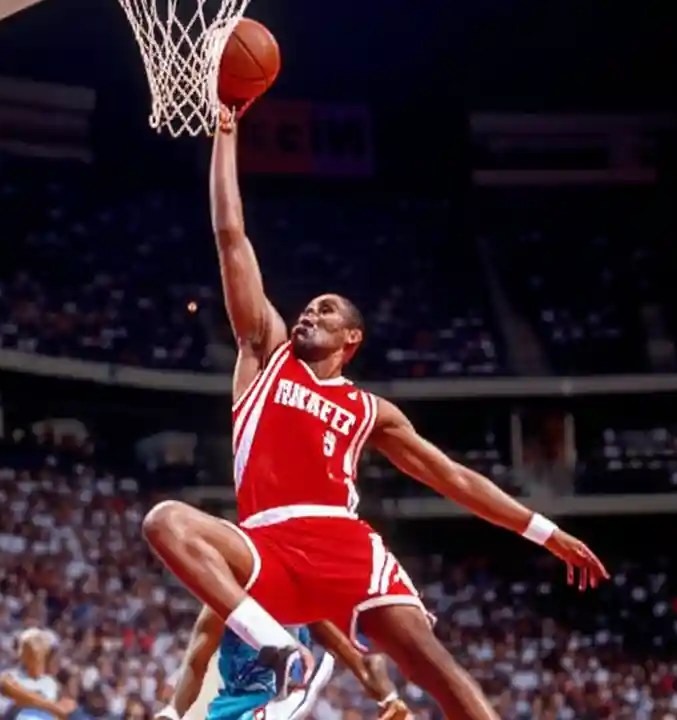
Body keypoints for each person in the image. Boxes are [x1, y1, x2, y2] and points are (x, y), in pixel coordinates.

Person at [141, 105, 610, 720]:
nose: (309, 314)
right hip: (268, 546)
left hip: (344, 547)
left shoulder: (371, 409)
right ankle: (276, 643)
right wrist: (226, 139)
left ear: (352, 338)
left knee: (438, 671)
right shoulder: (265, 354)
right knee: (165, 521)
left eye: (326, 310)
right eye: (307, 308)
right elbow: (232, 237)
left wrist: (547, 533)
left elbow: (455, 479)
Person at [155, 607, 408, 720]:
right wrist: (172, 712)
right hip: (231, 706)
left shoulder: (302, 596)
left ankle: (290, 686)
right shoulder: (223, 598)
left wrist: (388, 698)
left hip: (281, 697)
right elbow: (195, 663)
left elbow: (349, 652)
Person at [0, 628, 78, 719]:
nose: (56, 661)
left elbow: (68, 708)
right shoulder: (13, 675)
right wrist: (52, 707)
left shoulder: (54, 686)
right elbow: (7, 688)